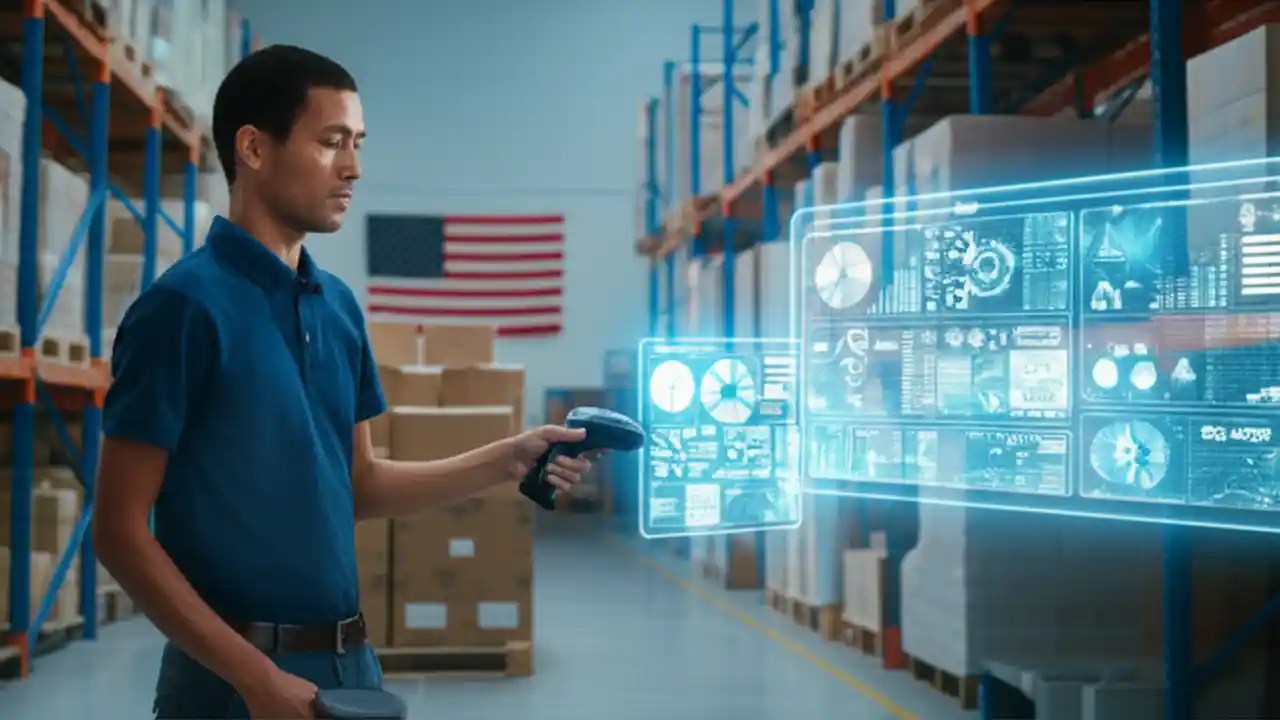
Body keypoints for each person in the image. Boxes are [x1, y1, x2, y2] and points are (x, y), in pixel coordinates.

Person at [93, 45, 594, 720]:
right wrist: (255, 679)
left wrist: (508, 457)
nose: (354, 167)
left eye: (357, 143)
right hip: (230, 684)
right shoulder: (183, 310)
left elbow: (360, 484)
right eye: (331, 142)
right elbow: (120, 532)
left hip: (349, 667)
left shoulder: (338, 307)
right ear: (254, 148)